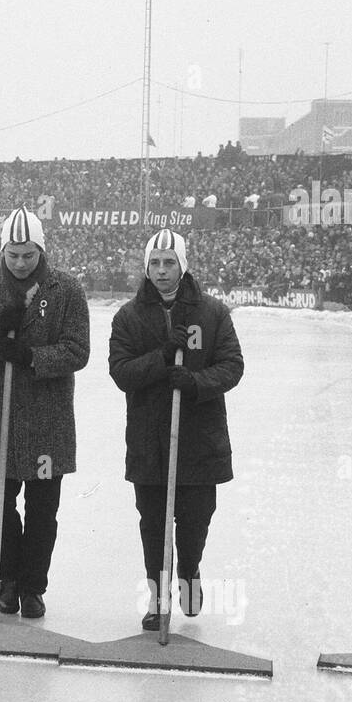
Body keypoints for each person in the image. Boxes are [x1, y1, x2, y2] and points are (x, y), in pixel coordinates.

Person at [108, 229, 244, 630]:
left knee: (195, 519)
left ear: (183, 266)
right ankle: (158, 595)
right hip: (150, 440)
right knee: (153, 524)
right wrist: (163, 358)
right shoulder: (128, 316)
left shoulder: (213, 313)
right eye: (155, 263)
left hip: (199, 439)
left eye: (170, 262)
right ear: (146, 268)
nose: (162, 270)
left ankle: (189, 569)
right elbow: (121, 372)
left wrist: (197, 383)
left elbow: (232, 365)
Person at [0, 208, 90, 619]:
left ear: (41, 250)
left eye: (28, 255)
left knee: (42, 507)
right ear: (3, 251)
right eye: (13, 255)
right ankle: (7, 580)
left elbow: (77, 350)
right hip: (2, 416)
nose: (19, 263)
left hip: (48, 417)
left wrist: (31, 356)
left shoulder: (67, 290)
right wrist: (1, 339)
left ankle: (34, 586)